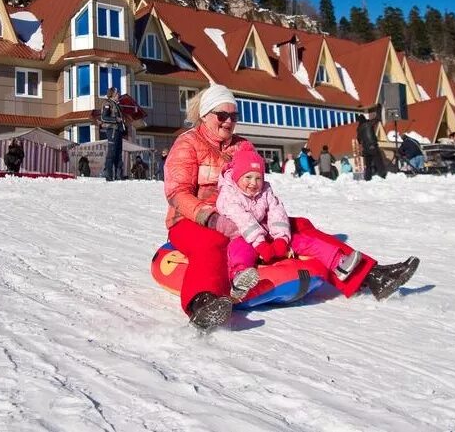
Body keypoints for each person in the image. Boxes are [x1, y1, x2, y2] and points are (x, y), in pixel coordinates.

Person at [163, 84, 420, 330]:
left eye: (233, 115)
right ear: (206, 115)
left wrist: (274, 217)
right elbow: (177, 193)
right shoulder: (188, 144)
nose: (228, 121)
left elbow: (260, 188)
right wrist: (211, 218)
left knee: (299, 226)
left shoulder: (243, 147)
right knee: (212, 243)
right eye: (222, 115)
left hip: (245, 215)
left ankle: (371, 276)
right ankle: (202, 304)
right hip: (192, 220)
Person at [214, 144, 364, 300]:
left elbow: (276, 212)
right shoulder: (229, 195)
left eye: (258, 178)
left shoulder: (265, 190)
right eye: (248, 177)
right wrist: (259, 244)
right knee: (240, 248)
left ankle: (338, 263)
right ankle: (240, 278)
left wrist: (281, 239)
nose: (253, 183)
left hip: (266, 233)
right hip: (240, 234)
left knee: (304, 240)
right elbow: (242, 219)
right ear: (237, 177)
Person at [100, 87, 126, 181]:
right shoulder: (107, 103)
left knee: (119, 153)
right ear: (112, 94)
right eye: (117, 93)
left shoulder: (117, 105)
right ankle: (108, 174)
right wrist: (116, 119)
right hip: (112, 131)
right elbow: (103, 117)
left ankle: (119, 175)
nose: (118, 94)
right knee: (112, 153)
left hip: (119, 131)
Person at [356, 111, 387, 181]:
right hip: (373, 146)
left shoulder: (359, 129)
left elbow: (358, 140)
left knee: (368, 165)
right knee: (378, 161)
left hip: (366, 149)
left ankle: (367, 178)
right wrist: (378, 108)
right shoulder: (368, 123)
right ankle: (383, 175)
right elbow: (377, 119)